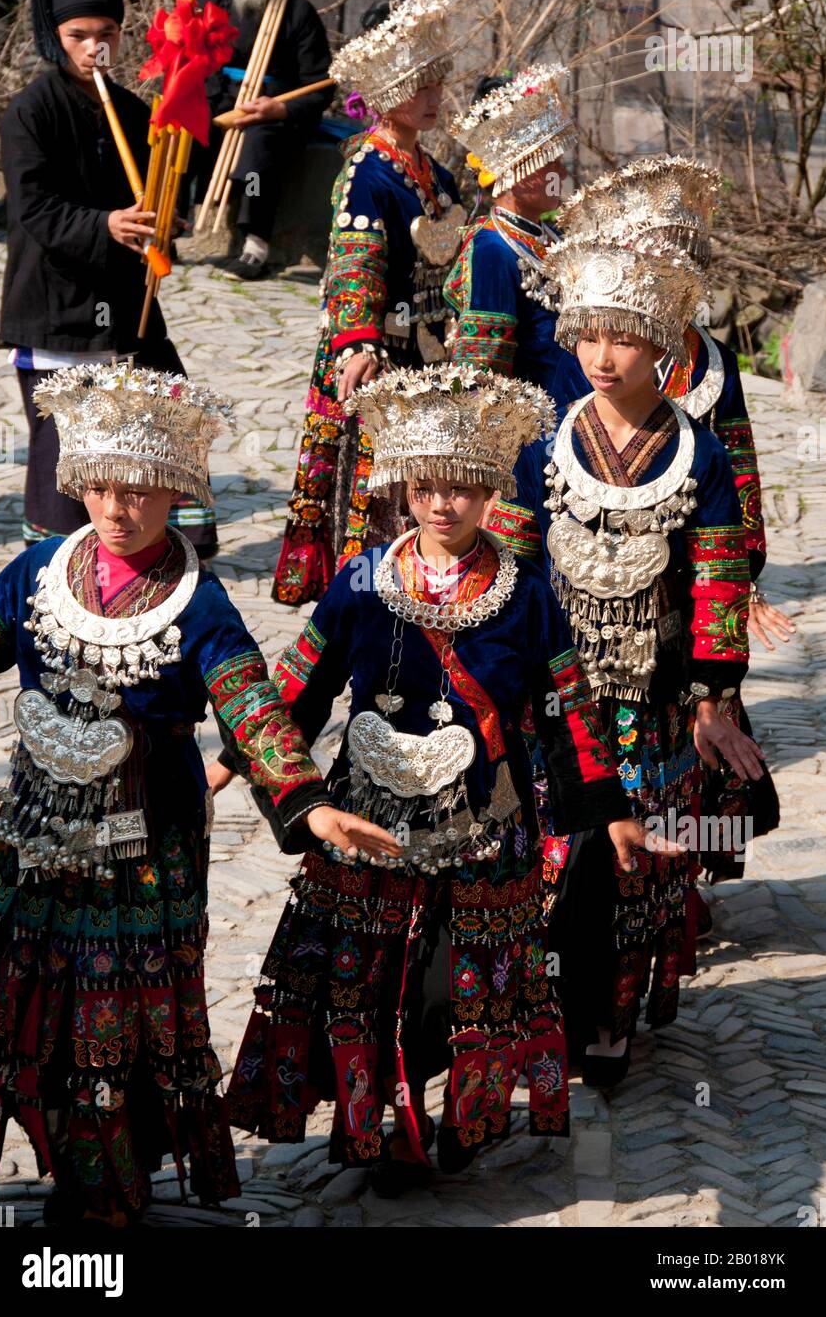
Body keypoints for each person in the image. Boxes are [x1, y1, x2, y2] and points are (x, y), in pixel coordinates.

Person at [0, 361, 397, 1226]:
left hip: (146, 852)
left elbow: (251, 710)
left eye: (142, 491)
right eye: (102, 489)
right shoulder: (35, 574)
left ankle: (105, 1185)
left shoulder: (200, 609)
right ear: (81, 485)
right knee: (8, 994)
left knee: (113, 1015)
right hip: (31, 839)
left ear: (176, 495)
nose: (118, 510)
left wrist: (307, 803)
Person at [225, 363, 641, 1197]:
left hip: (485, 829)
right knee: (374, 982)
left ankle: (465, 1118)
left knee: (458, 984)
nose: (442, 505)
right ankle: (392, 1128)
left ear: (491, 492)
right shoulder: (362, 581)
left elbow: (567, 703)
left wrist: (606, 810)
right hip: (370, 825)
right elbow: (302, 681)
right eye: (425, 488)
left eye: (462, 488)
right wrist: (243, 758)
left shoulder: (526, 594)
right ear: (402, 488)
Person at [528, 199, 767, 1088]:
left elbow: (717, 576)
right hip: (559, 690)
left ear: (659, 345)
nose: (600, 357)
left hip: (655, 689)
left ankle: (612, 1011)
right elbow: (514, 565)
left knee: (641, 852)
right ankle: (550, 995)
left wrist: (714, 689)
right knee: (559, 843)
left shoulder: (695, 455)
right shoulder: (544, 446)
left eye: (621, 340)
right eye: (587, 336)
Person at [0, 0, 218, 558]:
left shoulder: (131, 108)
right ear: (55, 36)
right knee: (67, 440)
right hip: (57, 299)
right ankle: (56, 559)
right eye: (79, 37)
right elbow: (34, 209)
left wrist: (163, 214)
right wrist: (105, 223)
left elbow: (152, 192)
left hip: (123, 299)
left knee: (161, 413)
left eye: (106, 34)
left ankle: (160, 545)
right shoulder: (30, 111)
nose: (95, 48)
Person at [272, 0, 465, 607]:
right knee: (378, 496)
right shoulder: (367, 172)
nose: (434, 97)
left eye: (438, 83)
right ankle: (372, 612)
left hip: (432, 359)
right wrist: (358, 342)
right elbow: (355, 262)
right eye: (420, 85)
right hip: (380, 359)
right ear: (386, 89)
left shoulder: (439, 173)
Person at [443, 65, 591, 559]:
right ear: (520, 170)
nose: (563, 176)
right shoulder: (491, 248)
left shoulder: (549, 238)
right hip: (532, 440)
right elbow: (481, 372)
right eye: (552, 166)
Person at [194, 0, 333, 280]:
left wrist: (280, 108)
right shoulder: (212, 2)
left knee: (260, 146)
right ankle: (168, 225)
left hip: (271, 108)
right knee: (175, 124)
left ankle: (255, 244)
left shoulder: (298, 11)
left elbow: (318, 83)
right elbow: (193, 60)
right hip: (218, 95)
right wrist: (212, 101)